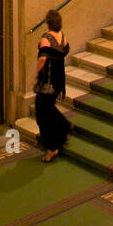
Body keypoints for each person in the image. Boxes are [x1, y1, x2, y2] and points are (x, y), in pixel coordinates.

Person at [34, 9, 71, 164]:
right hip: (58, 80)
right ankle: (64, 127)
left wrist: (37, 74)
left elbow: (42, 58)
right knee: (49, 108)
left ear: (48, 22)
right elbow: (65, 50)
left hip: (47, 81)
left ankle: (51, 148)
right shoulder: (62, 37)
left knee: (42, 115)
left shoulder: (46, 38)